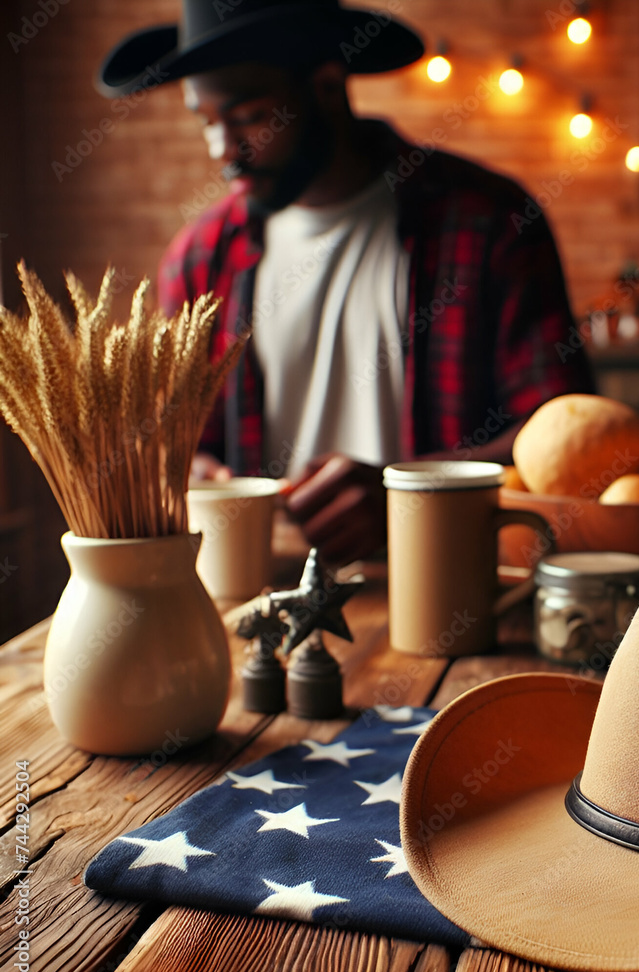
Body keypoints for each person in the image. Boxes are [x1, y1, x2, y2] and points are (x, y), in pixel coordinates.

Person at [97, 0, 595, 566]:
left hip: (454, 587)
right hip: (267, 601)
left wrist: (406, 498)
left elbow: (563, 441)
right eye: (207, 121)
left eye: (250, 116)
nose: (223, 151)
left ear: (328, 85)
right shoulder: (199, 260)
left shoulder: (490, 222)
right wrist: (199, 470)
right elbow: (189, 444)